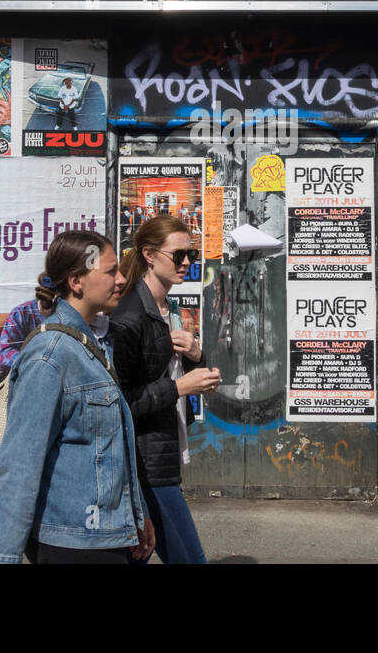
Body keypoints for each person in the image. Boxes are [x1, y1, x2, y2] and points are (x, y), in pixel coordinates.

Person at [0, 230, 153, 564]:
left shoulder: (90, 344)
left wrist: (137, 513)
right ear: (76, 281)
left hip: (105, 536)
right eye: (110, 272)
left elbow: (111, 447)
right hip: (72, 544)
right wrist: (2, 557)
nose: (121, 279)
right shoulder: (50, 356)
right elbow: (19, 466)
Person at [110, 214, 221, 564]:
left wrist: (197, 356)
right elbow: (120, 402)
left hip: (161, 456)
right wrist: (179, 387)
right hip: (145, 467)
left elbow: (172, 373)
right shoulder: (130, 317)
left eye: (191, 253)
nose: (187, 262)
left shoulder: (166, 308)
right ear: (148, 255)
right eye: (178, 255)